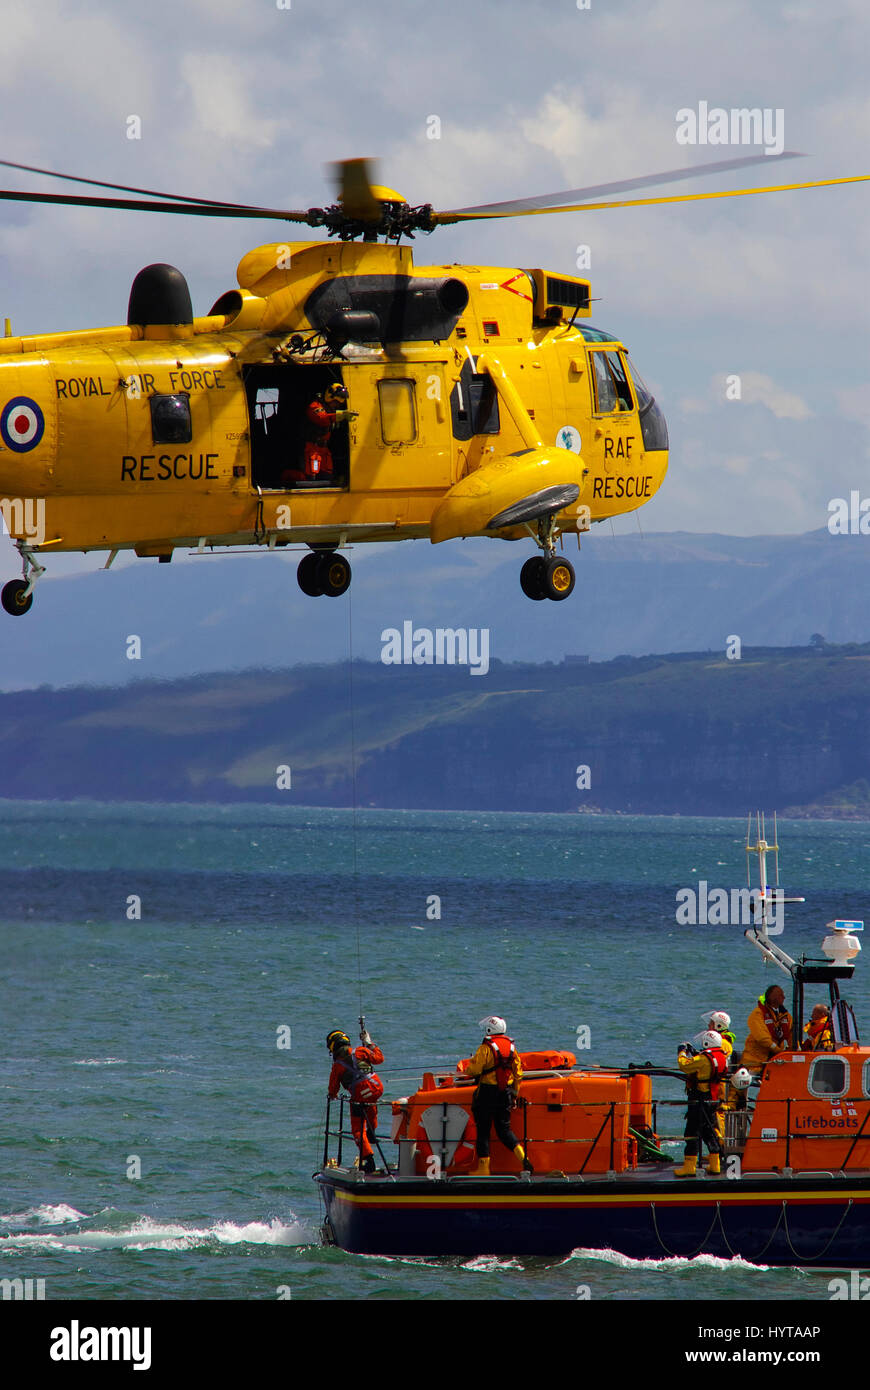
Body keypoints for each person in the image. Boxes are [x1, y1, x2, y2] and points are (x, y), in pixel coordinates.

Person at [464, 1016, 533, 1176]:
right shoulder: (511, 1048)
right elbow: (518, 1073)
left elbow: (475, 1069)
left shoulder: (485, 1048)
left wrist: (467, 1070)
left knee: (483, 1130)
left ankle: (483, 1169)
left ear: (489, 1030)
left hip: (487, 1093)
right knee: (504, 1130)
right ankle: (524, 1159)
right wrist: (514, 1093)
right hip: (505, 1093)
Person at [326, 1025, 384, 1174]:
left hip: (359, 1096)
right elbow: (379, 1058)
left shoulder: (337, 1067)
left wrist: (332, 1096)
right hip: (377, 1088)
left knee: (358, 1130)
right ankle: (372, 1131)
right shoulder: (361, 1051)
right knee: (371, 1106)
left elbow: (333, 1089)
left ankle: (368, 1159)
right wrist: (369, 1042)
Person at [673, 1029, 728, 1178]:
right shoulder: (722, 1057)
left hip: (699, 1099)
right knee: (709, 1131)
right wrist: (696, 1052)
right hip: (712, 1098)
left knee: (691, 1132)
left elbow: (684, 1065)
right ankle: (715, 1164)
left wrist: (682, 1052)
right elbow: (708, 1064)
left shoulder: (704, 1059)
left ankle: (689, 1166)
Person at [743, 984, 793, 1074]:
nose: (784, 997)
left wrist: (792, 1051)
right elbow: (762, 1038)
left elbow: (792, 1034)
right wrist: (779, 1051)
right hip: (754, 1062)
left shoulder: (785, 1016)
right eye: (781, 995)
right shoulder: (757, 1014)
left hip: (775, 1062)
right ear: (773, 997)